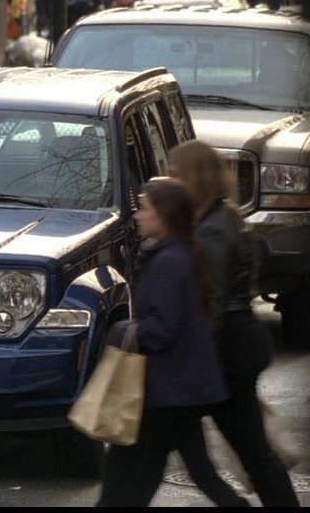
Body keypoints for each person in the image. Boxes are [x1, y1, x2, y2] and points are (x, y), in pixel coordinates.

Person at [170, 141, 301, 507]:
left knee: (249, 453)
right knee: (249, 452)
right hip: (235, 345)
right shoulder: (222, 217)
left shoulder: (212, 229)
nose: (171, 180)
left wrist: (192, 355)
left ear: (193, 177)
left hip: (225, 349)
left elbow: (210, 299)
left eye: (176, 173)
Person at [96, 178, 228, 507]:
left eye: (144, 209)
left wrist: (121, 332)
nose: (138, 216)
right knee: (197, 472)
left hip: (169, 389)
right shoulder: (177, 254)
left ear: (164, 215)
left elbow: (162, 329)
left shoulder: (170, 261)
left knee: (127, 472)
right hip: (180, 388)